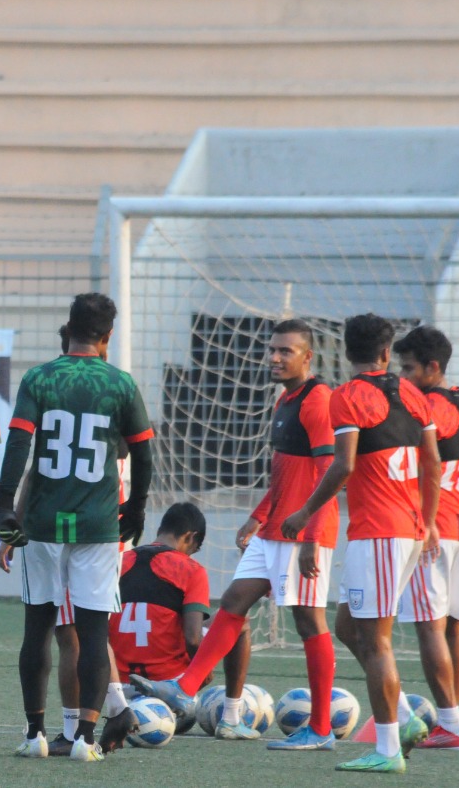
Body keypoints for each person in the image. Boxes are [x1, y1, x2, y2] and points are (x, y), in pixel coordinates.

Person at [134, 319, 336, 748]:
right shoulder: (286, 399)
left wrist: (312, 538)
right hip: (275, 530)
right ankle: (185, 687)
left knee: (308, 622)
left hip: (302, 533)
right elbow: (286, 474)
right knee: (233, 602)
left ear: (308, 357)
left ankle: (320, 728)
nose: (275, 358)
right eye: (272, 349)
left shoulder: (318, 401)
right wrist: (258, 517)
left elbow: (328, 474)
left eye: (285, 351)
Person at [0, 292, 153, 763]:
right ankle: (85, 738)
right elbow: (143, 453)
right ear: (107, 336)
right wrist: (137, 508)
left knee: (37, 629)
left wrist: (4, 505)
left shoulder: (39, 377)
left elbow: (18, 445)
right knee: (93, 633)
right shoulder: (120, 383)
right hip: (98, 524)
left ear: (70, 327)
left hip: (43, 522)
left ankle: (35, 734)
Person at [280, 313, 439, 773]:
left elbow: (343, 465)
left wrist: (304, 513)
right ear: (387, 352)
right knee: (349, 628)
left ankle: (388, 750)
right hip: (401, 531)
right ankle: (405, 718)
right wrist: (428, 520)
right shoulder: (414, 394)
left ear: (346, 351)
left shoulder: (347, 396)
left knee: (376, 641)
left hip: (381, 533)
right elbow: (432, 462)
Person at [393, 326, 459, 748]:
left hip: (437, 530)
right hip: (455, 528)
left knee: (430, 627)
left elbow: (428, 457)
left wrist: (427, 518)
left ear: (432, 367)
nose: (403, 377)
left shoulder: (434, 405)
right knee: (452, 628)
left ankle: (451, 723)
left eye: (408, 368)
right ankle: (456, 718)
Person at [109, 503, 211, 691]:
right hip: (168, 683)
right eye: (194, 550)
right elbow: (193, 639)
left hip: (118, 683)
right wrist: (203, 672)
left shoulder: (118, 561)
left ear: (159, 531)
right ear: (190, 537)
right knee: (236, 622)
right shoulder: (192, 569)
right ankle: (232, 705)